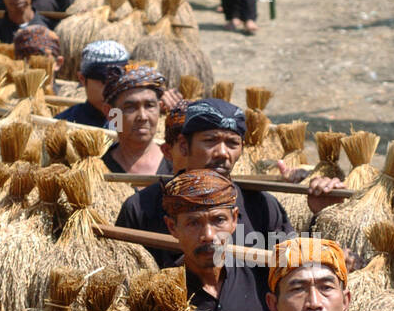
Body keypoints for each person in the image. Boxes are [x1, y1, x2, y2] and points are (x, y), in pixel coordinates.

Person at [115, 96, 305, 267]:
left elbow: (294, 268)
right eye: (210, 141)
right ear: (183, 145)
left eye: (232, 143)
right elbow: (122, 270)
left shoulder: (263, 206)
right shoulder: (141, 208)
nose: (222, 153)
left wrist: (320, 209)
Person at [161, 169, 274, 311]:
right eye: (193, 223)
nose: (209, 235)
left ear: (234, 219)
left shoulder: (263, 278)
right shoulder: (162, 295)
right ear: (173, 227)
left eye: (218, 220)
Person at [102, 63, 168, 175]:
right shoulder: (99, 171)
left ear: (160, 108)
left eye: (149, 106)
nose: (142, 117)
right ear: (111, 113)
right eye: (130, 107)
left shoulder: (176, 166)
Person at [56, 39, 128, 129]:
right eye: (103, 81)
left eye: (117, 80)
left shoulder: (135, 122)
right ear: (82, 79)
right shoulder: (64, 126)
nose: (111, 88)